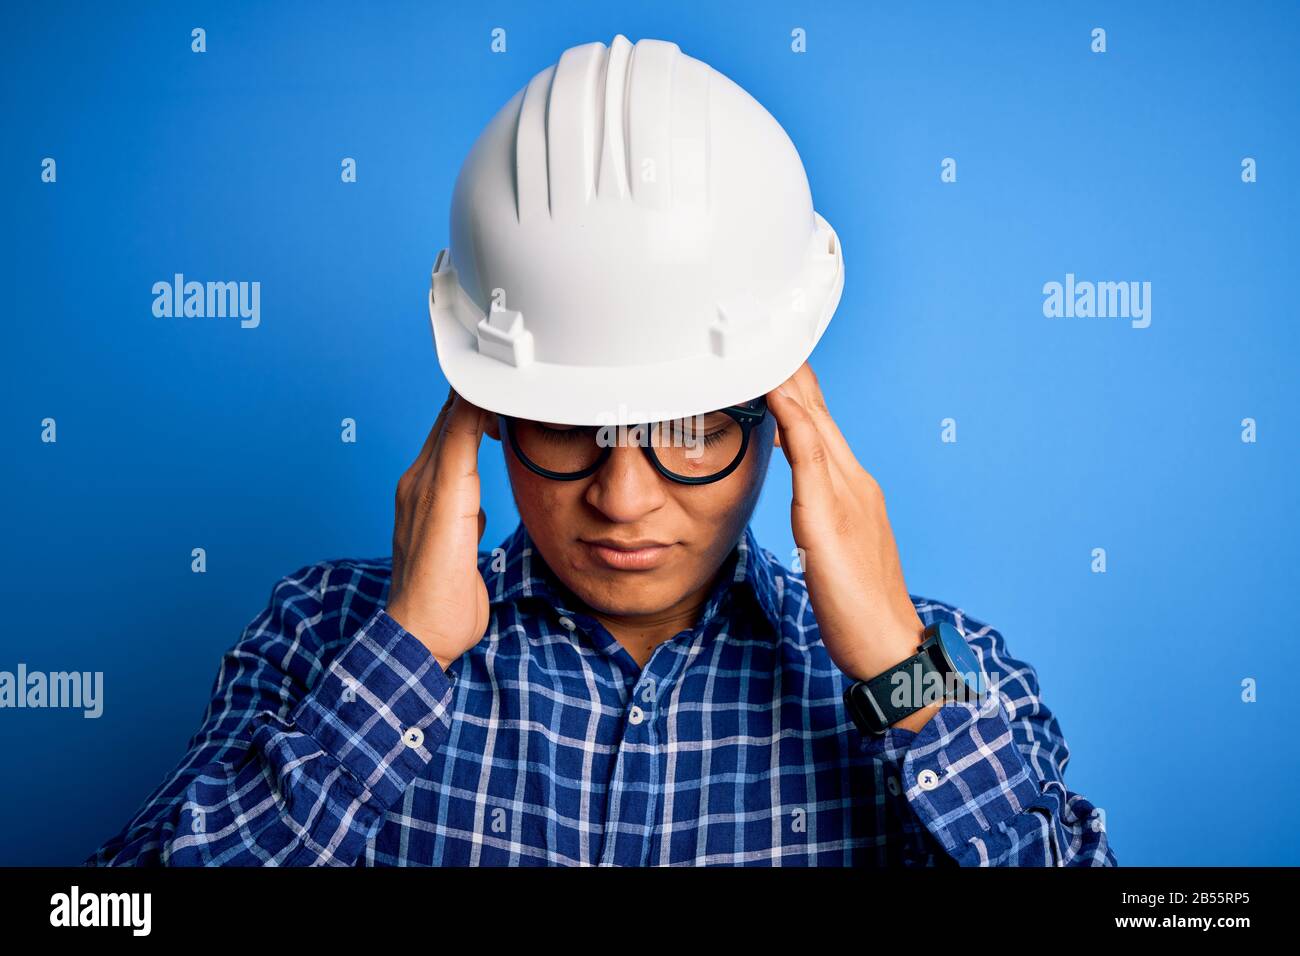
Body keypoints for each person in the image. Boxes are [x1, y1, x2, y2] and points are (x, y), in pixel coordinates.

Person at [86, 34, 1115, 867]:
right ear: (483, 410)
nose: (622, 497)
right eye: (569, 426)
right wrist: (404, 652)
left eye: (686, 424)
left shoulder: (945, 671)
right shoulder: (325, 637)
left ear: (782, 416)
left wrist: (897, 670)